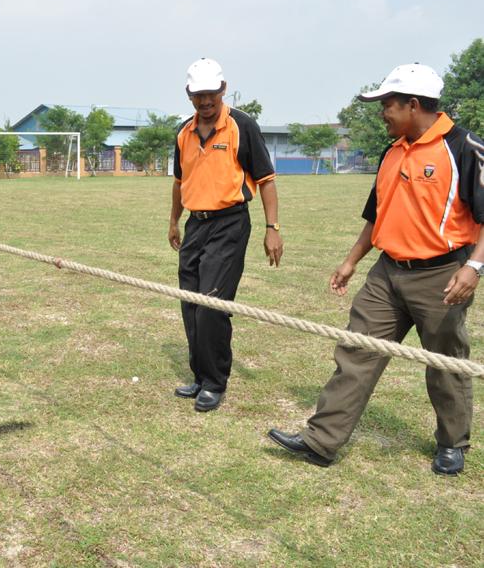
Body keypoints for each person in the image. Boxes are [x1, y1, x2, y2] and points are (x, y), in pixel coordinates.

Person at [269, 64, 484, 476]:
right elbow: (377, 215)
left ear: (414, 105)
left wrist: (474, 266)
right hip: (386, 274)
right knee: (356, 351)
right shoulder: (392, 151)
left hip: (442, 276)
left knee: (446, 361)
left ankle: (452, 443)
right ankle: (321, 440)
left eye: (388, 105)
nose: (382, 113)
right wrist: (351, 261)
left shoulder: (464, 148)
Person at [169, 58, 282, 412]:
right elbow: (179, 181)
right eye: (198, 95)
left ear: (223, 89)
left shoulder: (242, 125)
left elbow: (266, 180)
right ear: (189, 94)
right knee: (190, 302)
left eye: (211, 94)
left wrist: (272, 228)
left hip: (229, 224)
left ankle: (215, 382)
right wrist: (174, 221)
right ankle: (200, 376)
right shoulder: (183, 132)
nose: (205, 101)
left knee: (212, 305)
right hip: (195, 225)